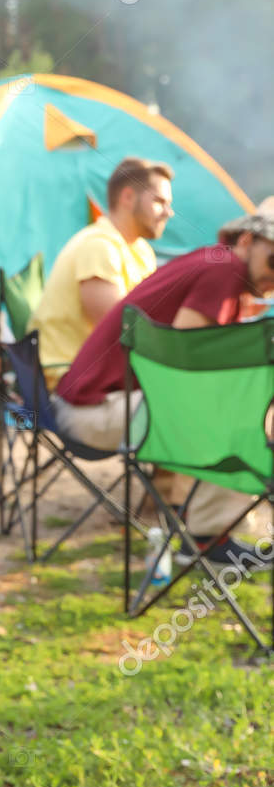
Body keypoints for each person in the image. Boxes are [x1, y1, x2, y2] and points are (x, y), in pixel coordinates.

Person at [52, 211, 274, 562]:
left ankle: (188, 521)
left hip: (89, 405)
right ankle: (206, 539)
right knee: (239, 418)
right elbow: (183, 362)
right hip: (93, 412)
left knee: (227, 409)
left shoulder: (212, 261)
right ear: (246, 241)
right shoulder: (226, 269)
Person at [30, 157, 174, 386]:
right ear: (128, 197)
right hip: (69, 384)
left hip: (104, 379)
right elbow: (120, 331)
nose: (169, 212)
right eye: (159, 201)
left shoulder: (142, 251)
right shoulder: (99, 246)